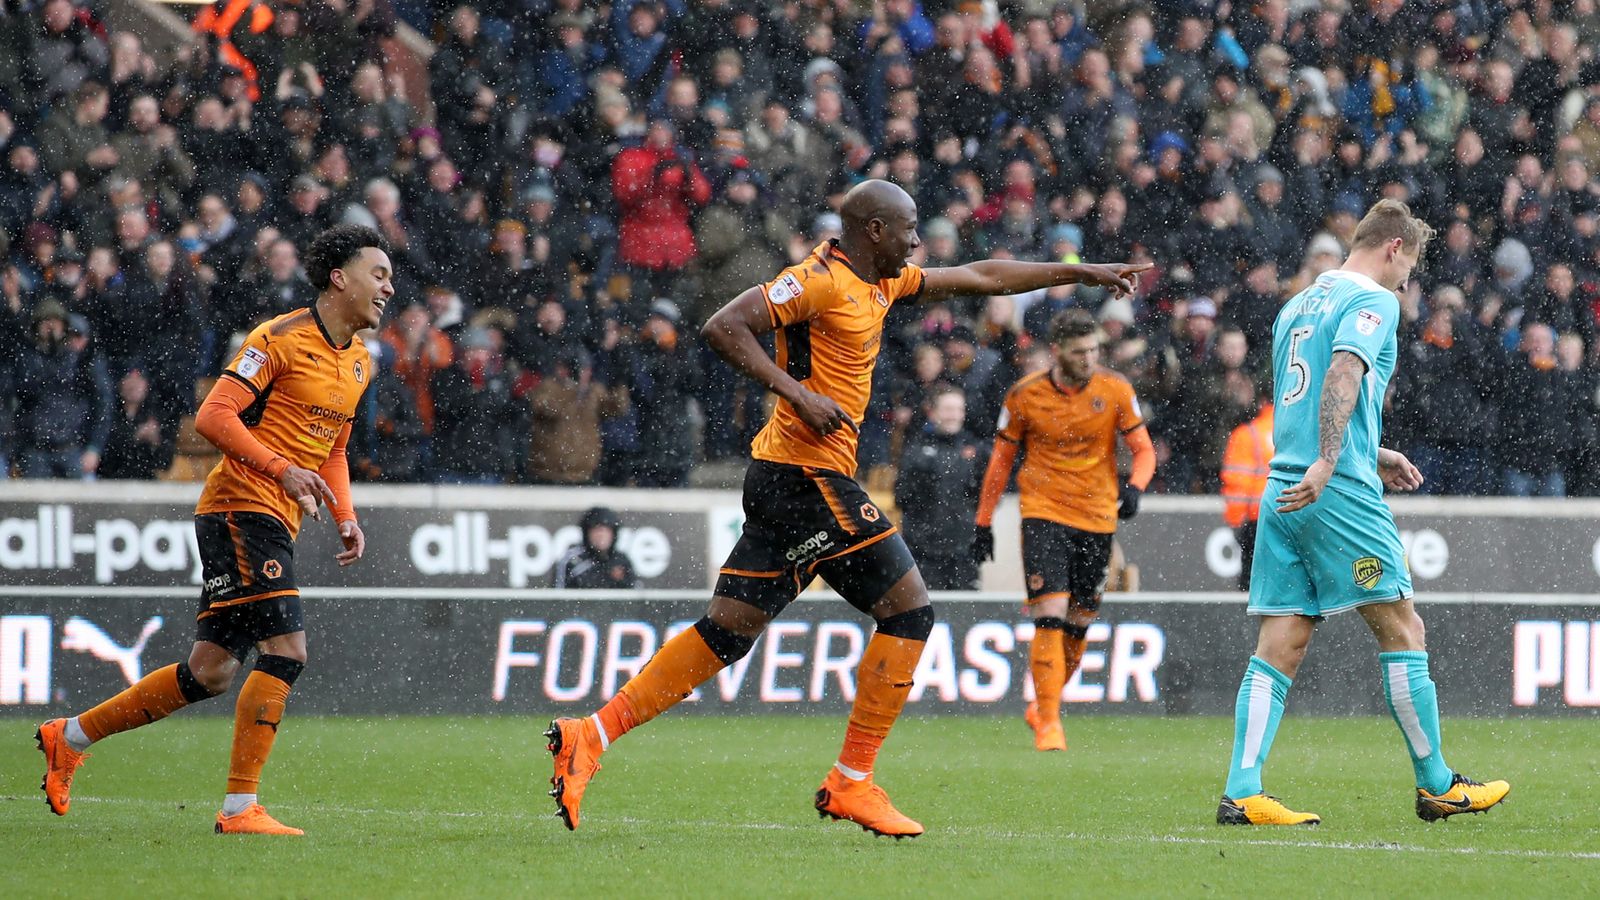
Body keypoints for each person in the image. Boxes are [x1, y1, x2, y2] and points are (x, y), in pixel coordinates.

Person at [545, 179, 1148, 838]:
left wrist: (1079, 272)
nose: (917, 242)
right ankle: (851, 781)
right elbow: (723, 326)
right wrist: (797, 394)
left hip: (786, 479)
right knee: (909, 611)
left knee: (727, 632)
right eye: (909, 229)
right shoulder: (819, 280)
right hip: (807, 477)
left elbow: (982, 276)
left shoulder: (882, 282)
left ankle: (589, 734)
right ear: (875, 231)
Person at [35, 224, 392, 835]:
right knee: (287, 650)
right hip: (241, 507)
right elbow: (213, 415)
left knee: (211, 671)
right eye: (378, 274)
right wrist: (281, 469)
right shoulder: (277, 338)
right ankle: (239, 808)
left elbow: (333, 447)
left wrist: (345, 516)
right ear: (340, 278)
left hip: (273, 516)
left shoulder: (359, 363)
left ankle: (69, 737)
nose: (389, 288)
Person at [1216, 200, 1508, 827]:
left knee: (1282, 641)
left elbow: (1300, 403)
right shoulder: (1373, 300)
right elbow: (1345, 371)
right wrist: (1336, 461)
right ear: (1394, 247)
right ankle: (1437, 784)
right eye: (1411, 269)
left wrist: (1369, 450)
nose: (1408, 284)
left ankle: (1242, 791)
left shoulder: (1297, 304)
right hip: (1337, 492)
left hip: (1283, 488)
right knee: (1403, 628)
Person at [972, 308, 1156, 752]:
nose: (1089, 358)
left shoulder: (1115, 389)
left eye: (1093, 350)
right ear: (1057, 351)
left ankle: (1043, 704)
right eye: (1079, 352)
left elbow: (1144, 450)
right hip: (1044, 513)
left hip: (1097, 517)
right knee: (1050, 615)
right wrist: (983, 521)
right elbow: (1000, 461)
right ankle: (1051, 724)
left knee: (1079, 624)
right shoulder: (1024, 395)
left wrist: (1136, 487)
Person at [894, 384, 987, 590]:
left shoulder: (975, 449)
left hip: (964, 550)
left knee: (966, 605)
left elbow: (984, 496)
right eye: (948, 409)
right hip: (923, 551)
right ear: (932, 412)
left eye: (958, 409)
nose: (954, 415)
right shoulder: (915, 449)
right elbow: (902, 497)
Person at [1219, 381, 1274, 591]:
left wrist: (1236, 522)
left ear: (1262, 402)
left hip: (1257, 519)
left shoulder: (1246, 435)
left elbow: (1237, 484)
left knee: (1252, 586)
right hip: (1292, 517)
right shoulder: (1300, 431)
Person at [552, 507, 640, 589]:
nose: (601, 535)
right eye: (596, 530)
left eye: (606, 531)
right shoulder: (572, 560)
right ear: (587, 533)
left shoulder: (621, 561)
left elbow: (633, 593)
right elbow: (557, 594)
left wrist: (621, 581)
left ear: (614, 534)